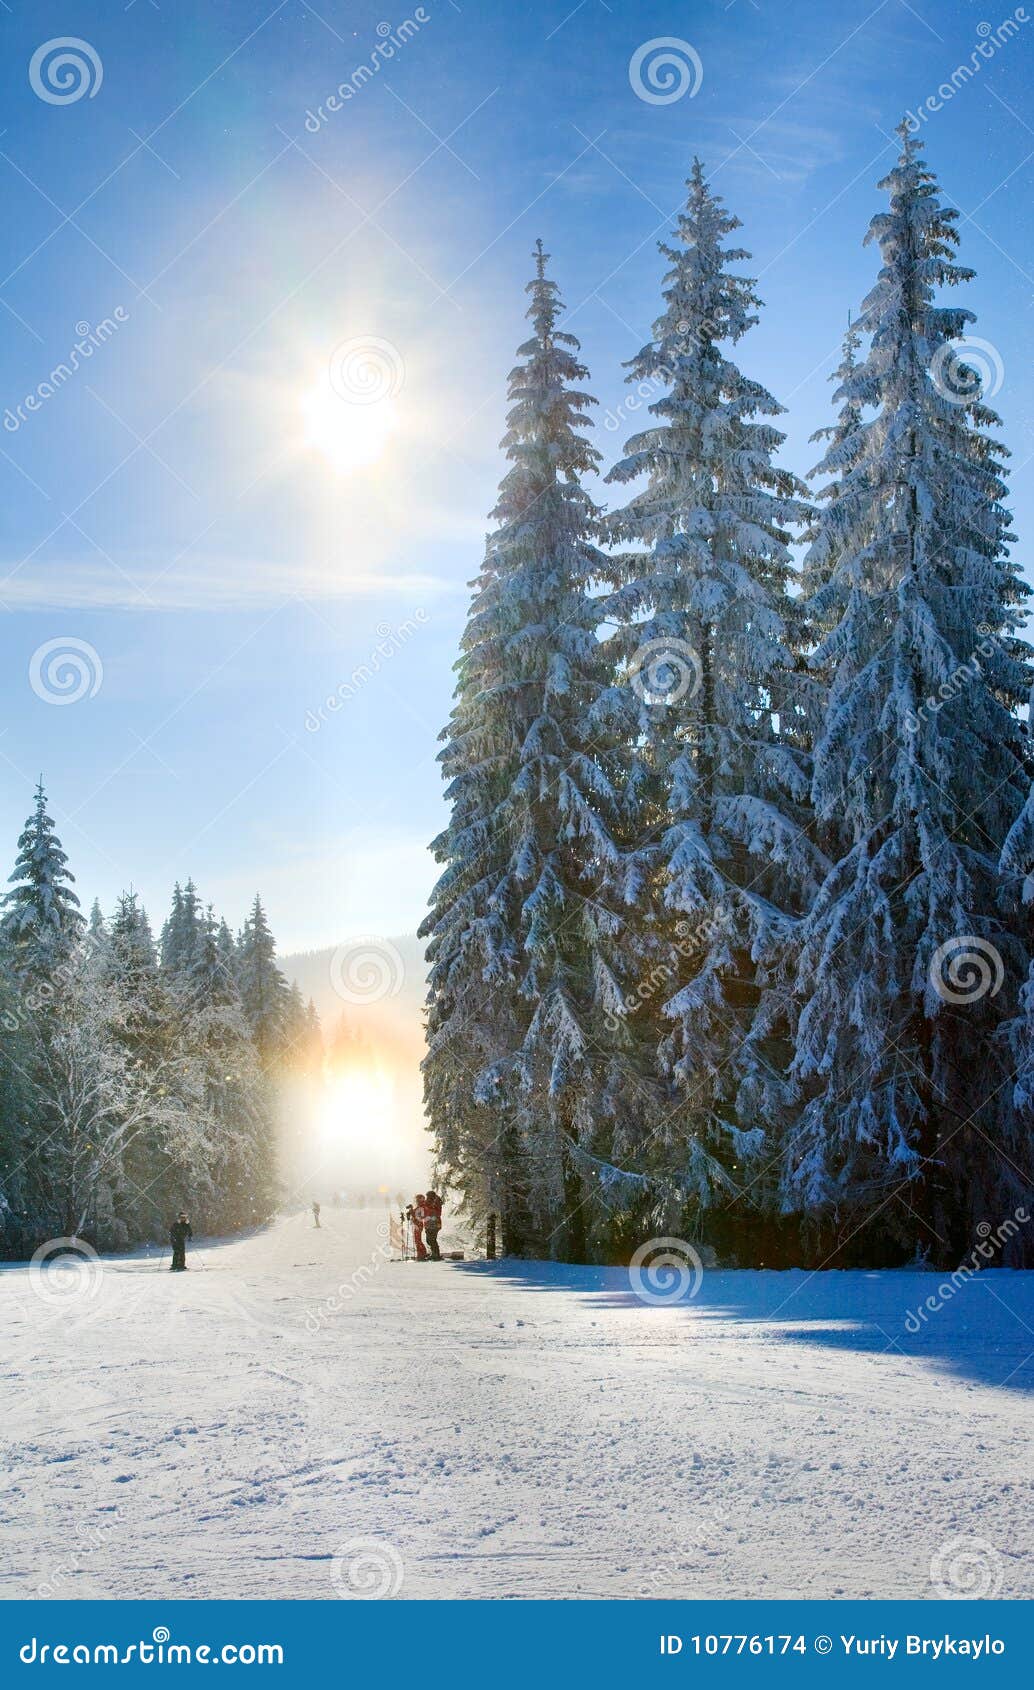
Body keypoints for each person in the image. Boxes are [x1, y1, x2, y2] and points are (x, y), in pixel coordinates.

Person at [423, 1189, 443, 1261]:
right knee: (429, 1240)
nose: (426, 1198)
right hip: (429, 1224)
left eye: (427, 1196)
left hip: (435, 1224)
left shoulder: (436, 1203)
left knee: (432, 1240)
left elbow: (437, 1213)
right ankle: (434, 1253)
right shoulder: (428, 1203)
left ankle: (436, 1254)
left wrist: (429, 1209)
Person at [406, 1197, 427, 1261]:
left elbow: (418, 1215)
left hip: (418, 1225)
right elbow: (414, 1213)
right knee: (417, 1239)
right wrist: (410, 1210)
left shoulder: (422, 1207)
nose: (416, 1201)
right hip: (417, 1224)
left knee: (417, 1240)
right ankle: (421, 1253)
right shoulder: (420, 1206)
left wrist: (411, 1211)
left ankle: (421, 1254)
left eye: (417, 1200)